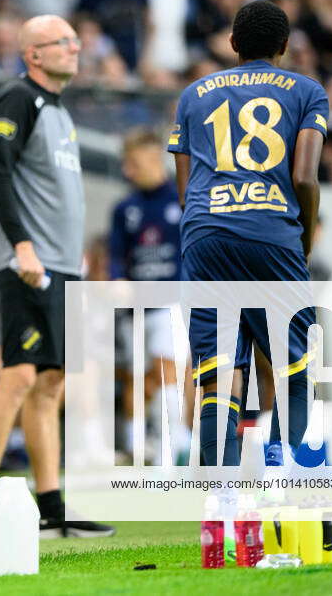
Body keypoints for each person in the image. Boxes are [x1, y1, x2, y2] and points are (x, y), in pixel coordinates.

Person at [0, 14, 114, 539]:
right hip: (29, 265)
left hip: (62, 266)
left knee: (50, 382)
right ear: (34, 55)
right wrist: (23, 246)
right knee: (20, 374)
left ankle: (51, 507)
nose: (75, 48)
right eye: (62, 42)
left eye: (75, 39)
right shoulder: (16, 99)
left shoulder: (59, 110)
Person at [167, 0, 326, 467]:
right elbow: (305, 178)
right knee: (294, 364)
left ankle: (223, 501)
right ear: (285, 45)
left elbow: (184, 191)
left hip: (205, 234)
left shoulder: (193, 95)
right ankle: (284, 474)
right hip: (272, 231)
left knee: (217, 374)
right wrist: (305, 240)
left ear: (233, 44)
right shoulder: (307, 91)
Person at [108, 130, 190, 465]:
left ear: (155, 158)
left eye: (135, 163)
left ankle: (172, 452)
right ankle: (137, 448)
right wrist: (116, 280)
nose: (129, 171)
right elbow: (116, 255)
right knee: (135, 379)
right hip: (133, 308)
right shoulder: (124, 208)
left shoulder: (181, 200)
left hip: (171, 304)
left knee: (166, 371)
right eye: (126, 164)